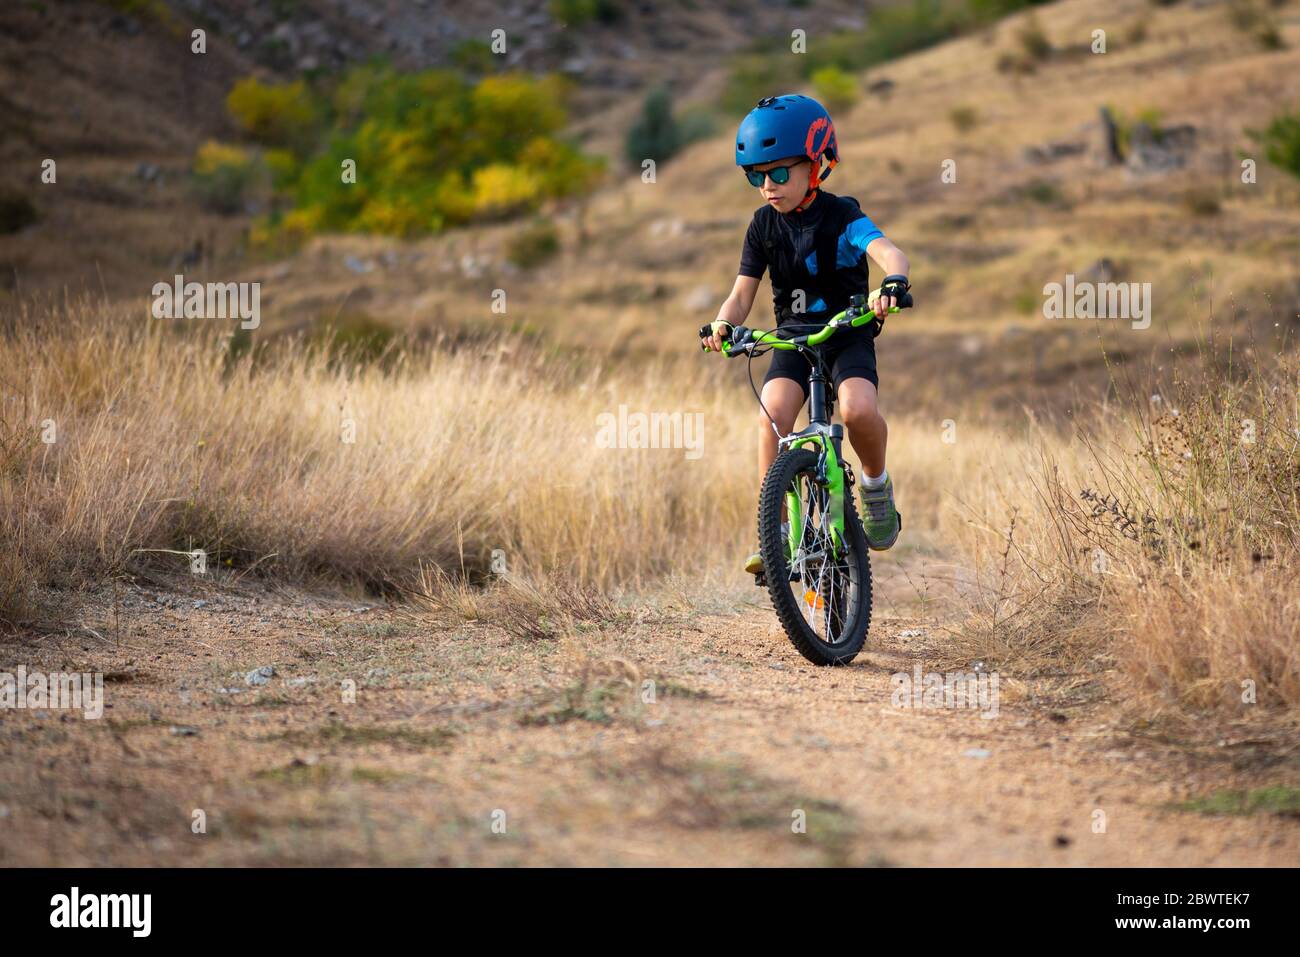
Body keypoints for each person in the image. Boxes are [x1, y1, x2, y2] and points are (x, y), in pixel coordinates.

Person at [699, 94, 911, 574]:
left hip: (847, 330)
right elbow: (740, 295)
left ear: (817, 165)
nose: (767, 186)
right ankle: (773, 531)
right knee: (772, 416)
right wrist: (724, 323)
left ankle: (876, 488)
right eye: (755, 176)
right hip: (792, 337)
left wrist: (892, 284)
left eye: (778, 173)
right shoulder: (761, 226)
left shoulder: (843, 215)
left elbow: (891, 254)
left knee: (858, 411)